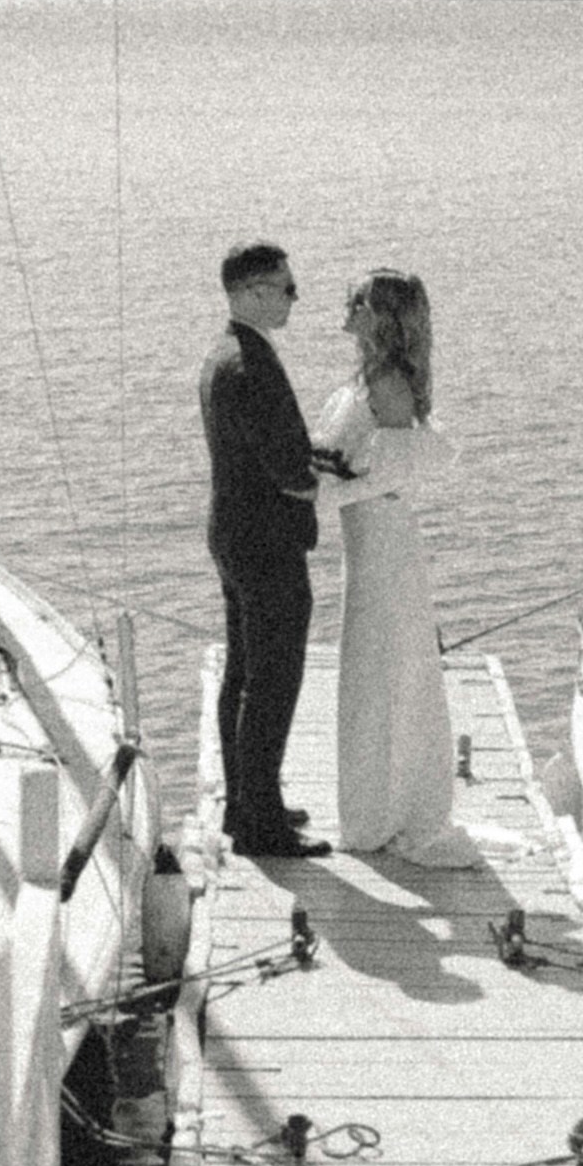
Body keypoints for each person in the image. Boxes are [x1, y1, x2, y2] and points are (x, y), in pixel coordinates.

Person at [312, 269, 480, 866]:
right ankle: (378, 803)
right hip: (367, 539)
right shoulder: (370, 378)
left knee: (385, 665)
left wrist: (321, 491)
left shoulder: (387, 383)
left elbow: (387, 473)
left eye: (357, 301)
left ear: (379, 316)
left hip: (382, 539)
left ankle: (390, 808)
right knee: (375, 664)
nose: (346, 306)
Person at [199, 240, 330, 858]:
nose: (295, 297)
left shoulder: (223, 354)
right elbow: (287, 473)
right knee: (271, 681)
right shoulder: (248, 364)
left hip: (233, 534)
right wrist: (324, 480)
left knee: (244, 675)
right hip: (265, 542)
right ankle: (261, 823)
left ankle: (247, 803)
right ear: (253, 291)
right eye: (286, 287)